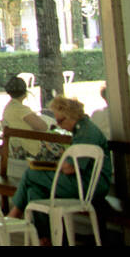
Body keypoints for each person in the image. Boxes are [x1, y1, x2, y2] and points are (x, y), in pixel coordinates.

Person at [7, 96, 113, 242]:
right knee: (34, 192)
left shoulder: (87, 133)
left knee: (31, 173)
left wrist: (61, 162)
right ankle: (45, 239)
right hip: (80, 182)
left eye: (60, 121)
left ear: (72, 116)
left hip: (89, 185)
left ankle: (13, 216)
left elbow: (70, 168)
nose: (58, 125)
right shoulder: (81, 130)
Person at [1, 75, 51, 158]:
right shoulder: (21, 109)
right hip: (30, 151)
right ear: (25, 92)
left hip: (17, 149)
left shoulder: (8, 108)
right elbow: (42, 127)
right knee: (64, 151)